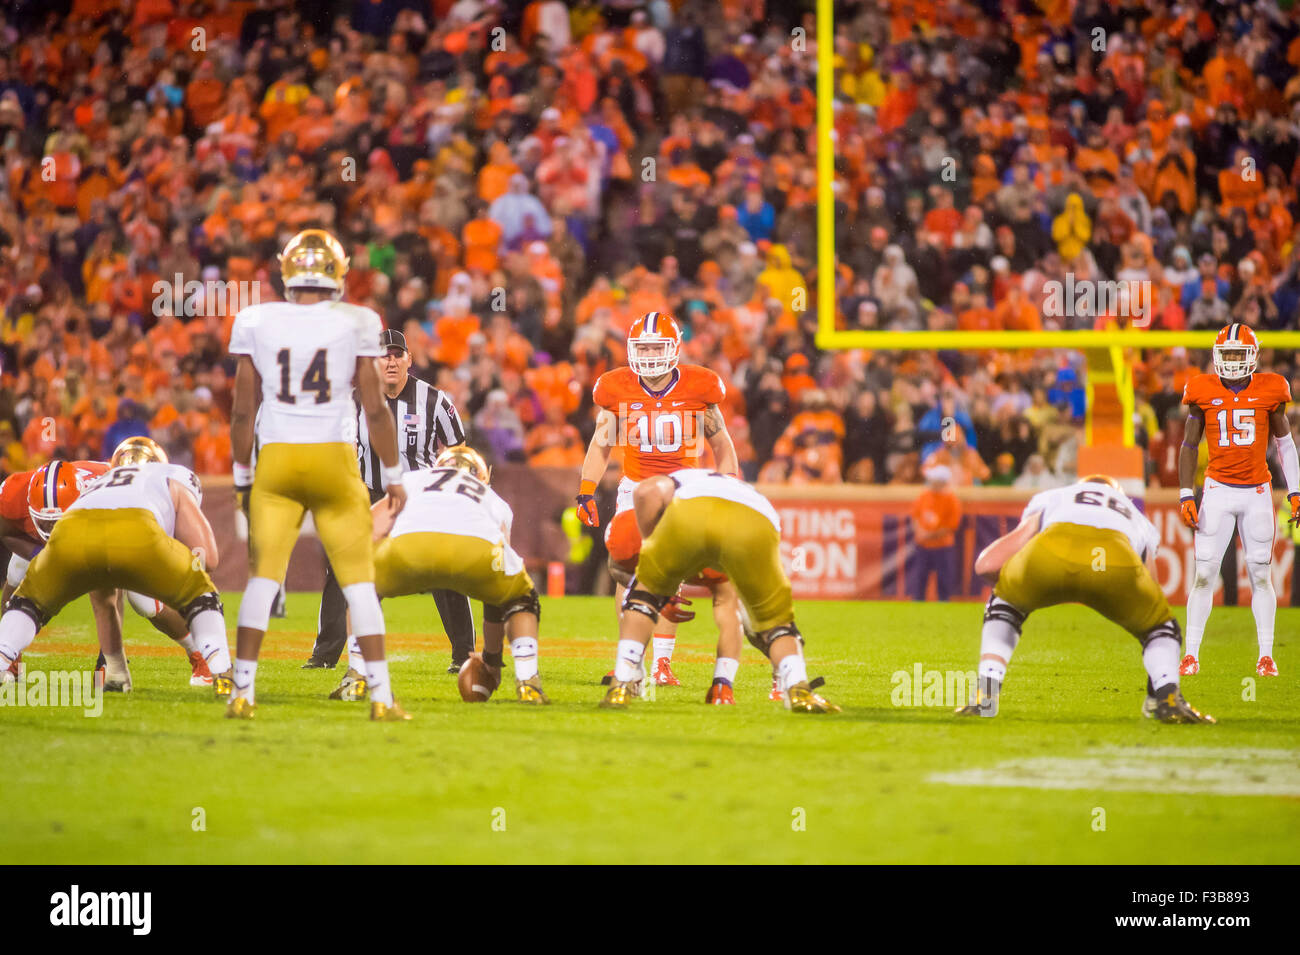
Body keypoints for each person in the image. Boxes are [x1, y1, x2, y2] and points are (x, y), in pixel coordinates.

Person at [228, 229, 410, 721]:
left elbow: (243, 413)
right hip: (333, 458)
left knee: (263, 579)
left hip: (278, 459)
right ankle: (380, 697)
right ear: (338, 272)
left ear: (287, 271)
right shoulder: (358, 320)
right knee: (359, 583)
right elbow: (375, 409)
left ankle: (242, 692)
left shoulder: (257, 319)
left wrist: (242, 475)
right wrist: (394, 474)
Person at [959, 474, 1213, 723]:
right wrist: (1153, 628)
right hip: (1114, 560)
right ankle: (1167, 697)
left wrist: (1014, 589)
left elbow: (987, 564)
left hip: (1049, 552)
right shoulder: (1137, 516)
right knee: (1161, 628)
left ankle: (986, 693)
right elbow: (1153, 590)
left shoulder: (1056, 497)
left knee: (1003, 604)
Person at [575, 312, 739, 688]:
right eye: (643, 347)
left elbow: (722, 445)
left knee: (670, 571)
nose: (649, 355)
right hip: (635, 486)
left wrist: (726, 487)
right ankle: (629, 662)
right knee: (626, 567)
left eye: (656, 347)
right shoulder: (616, 387)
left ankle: (663, 664)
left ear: (674, 348)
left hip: (683, 485)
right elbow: (601, 444)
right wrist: (586, 489)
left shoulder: (700, 386)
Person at [306, 328, 477, 675]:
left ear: (409, 360)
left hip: (420, 495)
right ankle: (325, 654)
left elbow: (460, 451)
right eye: (385, 355)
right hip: (371, 493)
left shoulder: (435, 401)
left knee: (444, 569)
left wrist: (455, 494)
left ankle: (464, 654)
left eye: (398, 354)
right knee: (344, 567)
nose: (392, 361)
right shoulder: (353, 401)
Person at [598, 469, 838, 713]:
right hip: (757, 521)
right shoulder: (719, 485)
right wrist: (723, 682)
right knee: (776, 625)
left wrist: (654, 561)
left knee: (643, 598)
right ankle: (798, 688)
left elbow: (646, 491)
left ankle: (622, 682)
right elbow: (728, 613)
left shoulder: (673, 489)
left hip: (691, 514)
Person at [0, 459, 232, 699]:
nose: (51, 527)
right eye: (45, 521)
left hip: (93, 530)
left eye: (57, 520)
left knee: (32, 601)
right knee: (16, 574)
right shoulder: (14, 492)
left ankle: (194, 655)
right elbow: (6, 532)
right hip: (101, 532)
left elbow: (106, 594)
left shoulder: (107, 481)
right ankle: (222, 672)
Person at [333, 445, 549, 704]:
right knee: (520, 598)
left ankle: (356, 676)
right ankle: (528, 683)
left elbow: (369, 527)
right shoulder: (493, 499)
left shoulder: (414, 478)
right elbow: (496, 596)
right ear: (483, 475)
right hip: (475, 551)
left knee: (363, 587)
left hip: (410, 547)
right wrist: (491, 661)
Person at [1178, 324, 1297, 678]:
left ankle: (1265, 656)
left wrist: (1296, 489)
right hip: (1216, 490)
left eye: (1237, 354)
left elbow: (1285, 444)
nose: (1231, 362)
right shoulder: (1202, 389)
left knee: (1261, 575)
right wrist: (1186, 493)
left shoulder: (1271, 388)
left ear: (1253, 356)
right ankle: (1191, 655)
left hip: (1257, 492)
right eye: (1226, 354)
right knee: (1203, 574)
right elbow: (1188, 445)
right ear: (1216, 356)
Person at [910, 465, 962, 601]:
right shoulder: (924, 496)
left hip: (942, 546)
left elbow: (951, 526)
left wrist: (928, 535)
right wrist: (920, 533)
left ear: (942, 482)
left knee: (944, 581)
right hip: (923, 546)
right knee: (920, 579)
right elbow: (915, 517)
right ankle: (918, 603)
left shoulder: (951, 500)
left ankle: (943, 604)